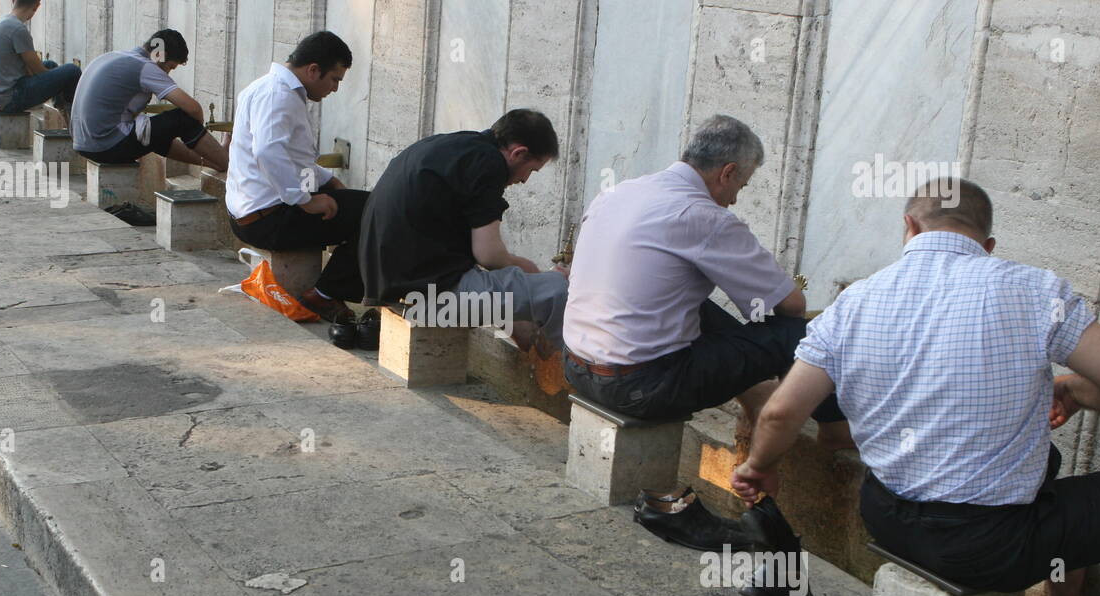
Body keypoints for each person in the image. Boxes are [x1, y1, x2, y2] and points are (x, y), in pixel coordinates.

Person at [731, 179, 1100, 596]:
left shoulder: (853, 302)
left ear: (909, 226)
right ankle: (1062, 561)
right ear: (988, 245)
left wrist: (759, 467)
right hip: (990, 548)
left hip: (885, 517)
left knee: (1046, 458)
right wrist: (1081, 387)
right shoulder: (1036, 291)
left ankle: (1062, 559)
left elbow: (781, 413)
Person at [562, 114, 849, 445]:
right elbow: (791, 305)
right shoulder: (705, 216)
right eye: (741, 186)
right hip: (641, 388)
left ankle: (756, 396)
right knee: (793, 334)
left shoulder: (619, 192)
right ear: (727, 173)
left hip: (576, 367)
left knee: (694, 305)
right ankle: (834, 428)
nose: (735, 200)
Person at [358, 108, 567, 351]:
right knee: (557, 288)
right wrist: (532, 271)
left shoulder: (456, 145)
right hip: (427, 299)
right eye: (530, 170)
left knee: (502, 285)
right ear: (518, 153)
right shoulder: (489, 164)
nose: (524, 180)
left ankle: (524, 333)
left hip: (390, 287)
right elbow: (488, 255)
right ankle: (575, 375)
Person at [226, 31, 367, 322]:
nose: (335, 89)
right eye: (334, 79)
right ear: (313, 70)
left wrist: (327, 181)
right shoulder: (280, 95)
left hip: (256, 212)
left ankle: (331, 288)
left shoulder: (268, 87)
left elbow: (292, 158)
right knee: (377, 213)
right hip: (268, 220)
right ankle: (325, 295)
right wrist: (304, 200)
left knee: (362, 204)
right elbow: (267, 151)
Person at [72, 29, 227, 173]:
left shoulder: (114, 56)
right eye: (170, 67)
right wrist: (197, 131)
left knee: (155, 133)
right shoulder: (145, 67)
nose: (168, 73)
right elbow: (194, 109)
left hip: (84, 143)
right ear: (160, 55)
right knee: (182, 119)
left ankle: (214, 162)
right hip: (106, 146)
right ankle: (227, 162)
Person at [0, 0, 80, 123]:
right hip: (8, 99)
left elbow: (29, 68)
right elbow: (39, 72)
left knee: (50, 65)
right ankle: (74, 122)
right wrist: (57, 85)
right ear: (37, 6)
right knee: (71, 71)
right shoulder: (17, 29)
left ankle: (63, 111)